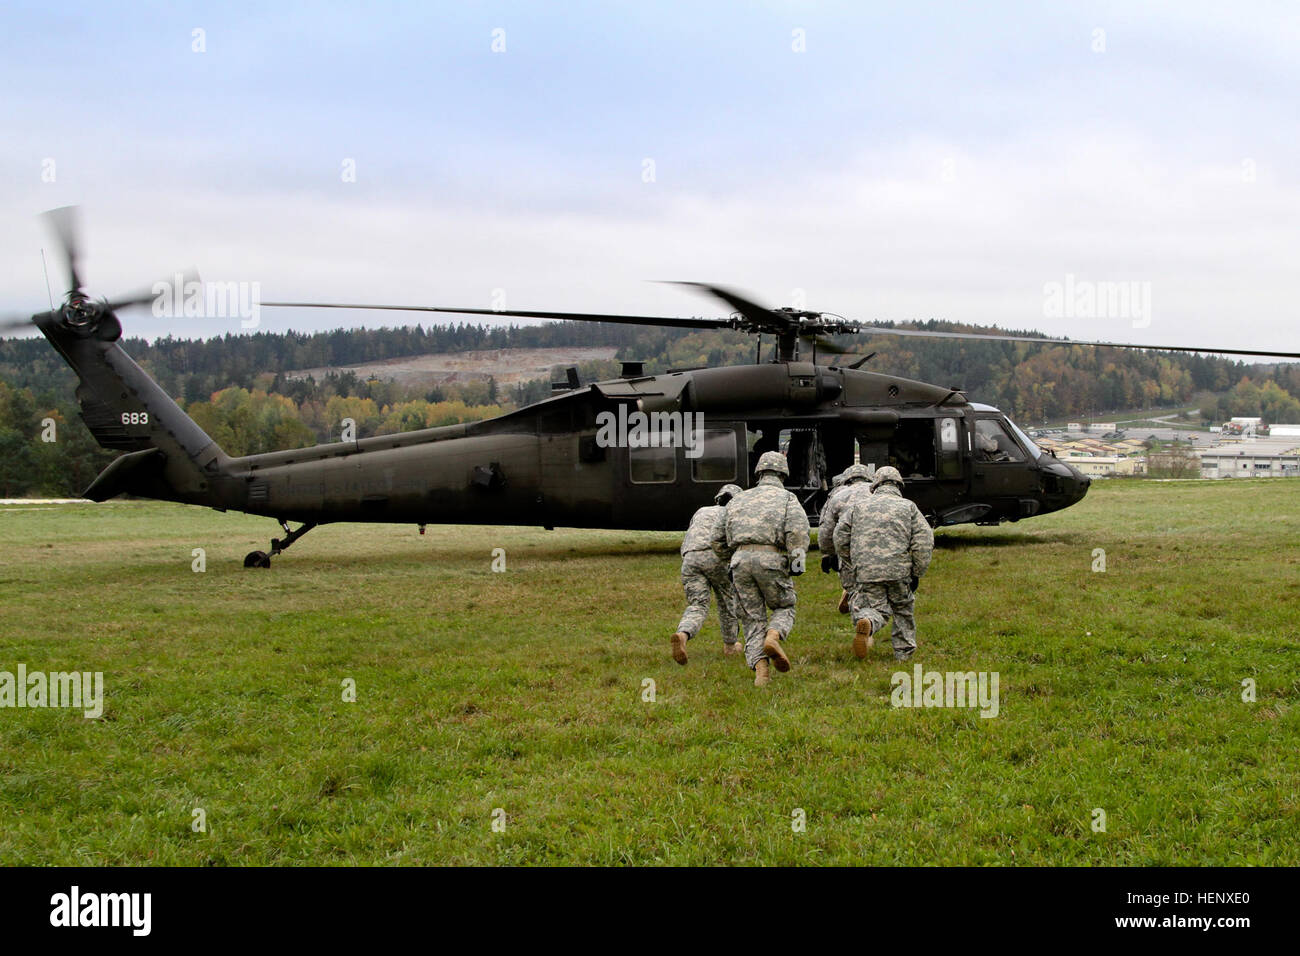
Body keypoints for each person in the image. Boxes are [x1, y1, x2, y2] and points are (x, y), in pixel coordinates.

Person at [713, 451, 810, 687]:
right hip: (771, 558)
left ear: (758, 473)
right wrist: (797, 562)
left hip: (740, 561)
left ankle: (761, 671)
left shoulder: (738, 499)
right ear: (783, 473)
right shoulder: (787, 499)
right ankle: (773, 636)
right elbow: (797, 532)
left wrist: (732, 559)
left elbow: (716, 538)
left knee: (751, 618)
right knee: (784, 605)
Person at [833, 466, 934, 661]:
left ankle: (868, 621)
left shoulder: (858, 507)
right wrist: (917, 571)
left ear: (875, 485)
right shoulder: (908, 507)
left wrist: (853, 561)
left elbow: (840, 536)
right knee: (902, 609)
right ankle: (903, 654)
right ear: (899, 485)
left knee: (875, 607)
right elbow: (924, 541)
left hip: (867, 571)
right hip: (899, 571)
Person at [671, 484, 745, 665]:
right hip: (715, 556)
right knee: (727, 601)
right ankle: (730, 646)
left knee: (698, 604)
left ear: (718, 499)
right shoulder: (733, 514)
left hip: (690, 557)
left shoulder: (701, 511)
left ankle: (683, 634)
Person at [817, 463, 873, 614]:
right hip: (877, 546)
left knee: (853, 587)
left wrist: (827, 554)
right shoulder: (877, 493)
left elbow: (826, 528)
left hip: (848, 547)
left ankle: (860, 612)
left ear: (847, 479)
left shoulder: (838, 496)